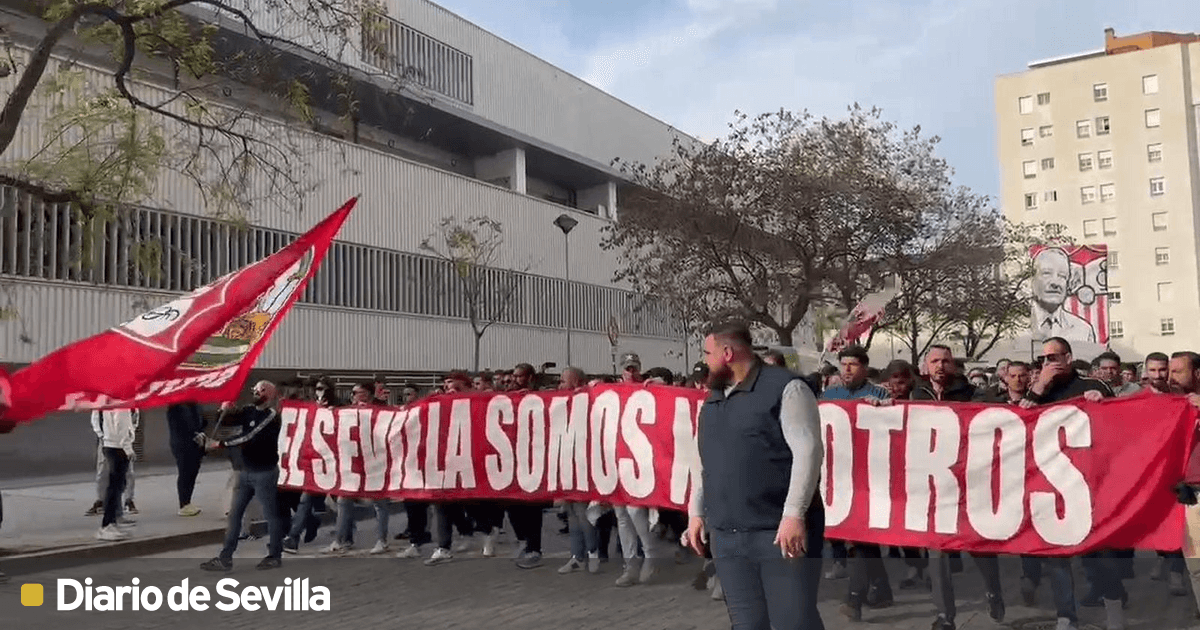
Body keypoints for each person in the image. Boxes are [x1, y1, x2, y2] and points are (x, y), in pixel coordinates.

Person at [685, 322, 825, 630]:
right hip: (728, 535)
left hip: (777, 533)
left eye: (708, 353)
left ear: (728, 353)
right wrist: (696, 512)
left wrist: (793, 514)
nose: (705, 361)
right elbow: (702, 460)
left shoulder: (787, 388)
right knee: (747, 623)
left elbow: (809, 451)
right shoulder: (714, 399)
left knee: (793, 621)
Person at [1019, 337, 1121, 630]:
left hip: (1091, 482)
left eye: (1054, 357)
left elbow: (1119, 426)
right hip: (1051, 481)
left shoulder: (1093, 385)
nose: (1049, 362)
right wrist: (1039, 387)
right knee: (1057, 556)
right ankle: (1066, 614)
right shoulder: (1039, 390)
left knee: (1101, 553)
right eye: (1044, 358)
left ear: (1068, 357)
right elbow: (1022, 419)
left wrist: (1101, 404)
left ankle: (1113, 607)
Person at [912, 345, 1004, 629]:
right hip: (934, 484)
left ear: (954, 365)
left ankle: (994, 591)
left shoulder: (972, 393)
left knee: (979, 547)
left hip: (968, 482)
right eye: (934, 361)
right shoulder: (916, 395)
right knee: (936, 551)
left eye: (945, 361)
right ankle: (945, 615)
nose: (940, 365)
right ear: (925, 367)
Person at [821, 346, 893, 617]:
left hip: (870, 475)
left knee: (861, 537)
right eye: (844, 364)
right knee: (860, 538)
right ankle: (883, 589)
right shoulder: (831, 395)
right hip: (840, 475)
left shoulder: (879, 394)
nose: (847, 369)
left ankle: (854, 599)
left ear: (864, 367)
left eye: (853, 364)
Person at [198, 381, 285, 571]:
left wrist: (220, 444)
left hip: (264, 472)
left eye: (261, 390)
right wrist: (224, 409)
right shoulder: (248, 410)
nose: (256, 392)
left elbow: (250, 437)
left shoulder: (271, 416)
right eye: (255, 389)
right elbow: (228, 420)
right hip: (244, 471)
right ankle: (225, 558)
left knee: (272, 515)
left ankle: (274, 555)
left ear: (270, 395)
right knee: (234, 515)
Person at [1030, 247, 1096, 342]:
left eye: (1062, 276)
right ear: (1032, 280)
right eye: (1047, 273)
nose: (1055, 283)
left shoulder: (1084, 331)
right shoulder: (1013, 328)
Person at [92, 407, 139, 541]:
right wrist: (128, 448)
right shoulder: (122, 404)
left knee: (115, 485)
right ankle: (107, 524)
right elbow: (121, 424)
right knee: (115, 487)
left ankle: (111, 523)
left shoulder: (111, 403)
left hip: (110, 444)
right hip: (118, 447)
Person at [167, 402, 206, 517]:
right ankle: (184, 504)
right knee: (185, 473)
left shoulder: (194, 405)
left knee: (192, 472)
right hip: (182, 444)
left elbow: (202, 421)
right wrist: (194, 434)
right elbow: (179, 426)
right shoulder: (175, 407)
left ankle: (187, 501)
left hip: (196, 443)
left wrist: (201, 432)